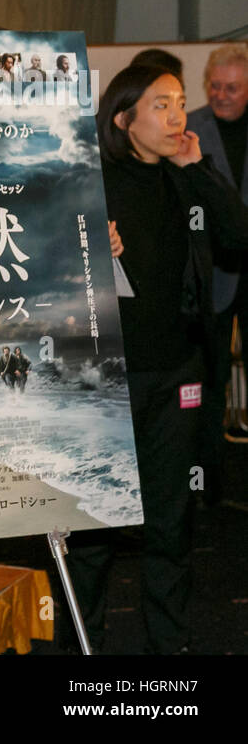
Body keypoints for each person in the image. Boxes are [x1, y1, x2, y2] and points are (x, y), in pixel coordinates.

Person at [66, 64, 248, 654]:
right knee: (93, 524)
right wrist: (89, 244)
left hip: (176, 374)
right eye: (162, 106)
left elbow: (238, 239)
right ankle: (80, 642)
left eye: (179, 103)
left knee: (171, 523)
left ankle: (168, 650)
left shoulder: (184, 176)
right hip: (104, 378)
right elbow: (49, 273)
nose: (178, 118)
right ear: (125, 119)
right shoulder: (90, 182)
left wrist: (200, 169)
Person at [185, 44, 248, 463]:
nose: (222, 94)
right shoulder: (188, 130)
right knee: (212, 373)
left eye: (233, 88)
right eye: (215, 86)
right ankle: (210, 465)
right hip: (213, 273)